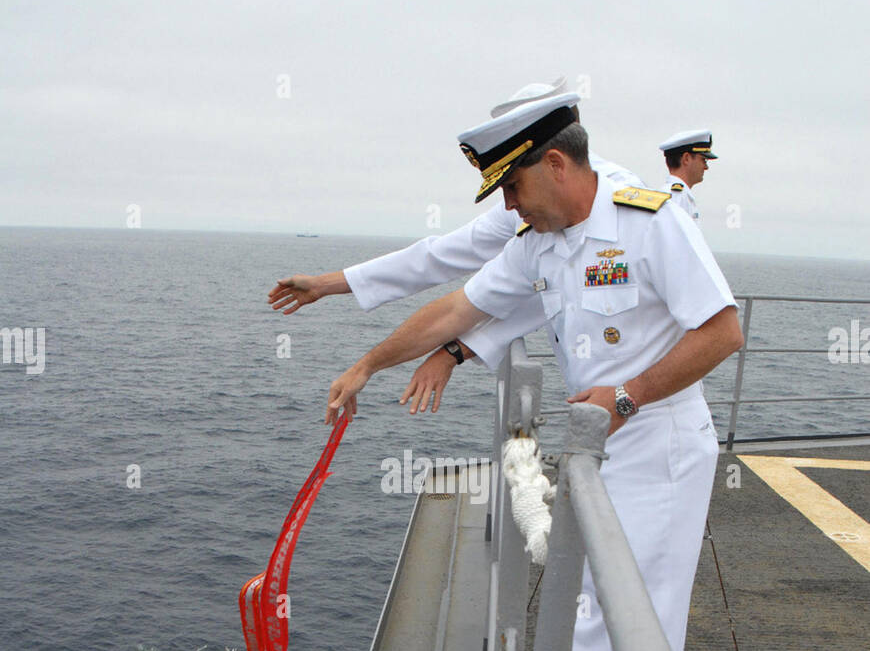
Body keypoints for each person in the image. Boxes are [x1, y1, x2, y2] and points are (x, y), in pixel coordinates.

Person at [323, 94, 743, 651]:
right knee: (588, 600)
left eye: (513, 187)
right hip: (602, 445)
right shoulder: (542, 242)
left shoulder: (649, 220)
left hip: (658, 440)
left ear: (554, 164)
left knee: (641, 614)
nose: (510, 207)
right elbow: (456, 310)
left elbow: (722, 330)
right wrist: (367, 364)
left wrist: (631, 395)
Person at [268, 81, 645, 413]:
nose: (510, 201)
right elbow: (440, 258)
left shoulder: (629, 211)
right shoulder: (528, 212)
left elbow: (542, 299)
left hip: (643, 411)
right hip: (597, 411)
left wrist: (454, 352)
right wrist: (326, 285)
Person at [658, 129, 718, 221]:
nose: (706, 167)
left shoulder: (679, 195)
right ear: (686, 158)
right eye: (704, 160)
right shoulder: (676, 197)